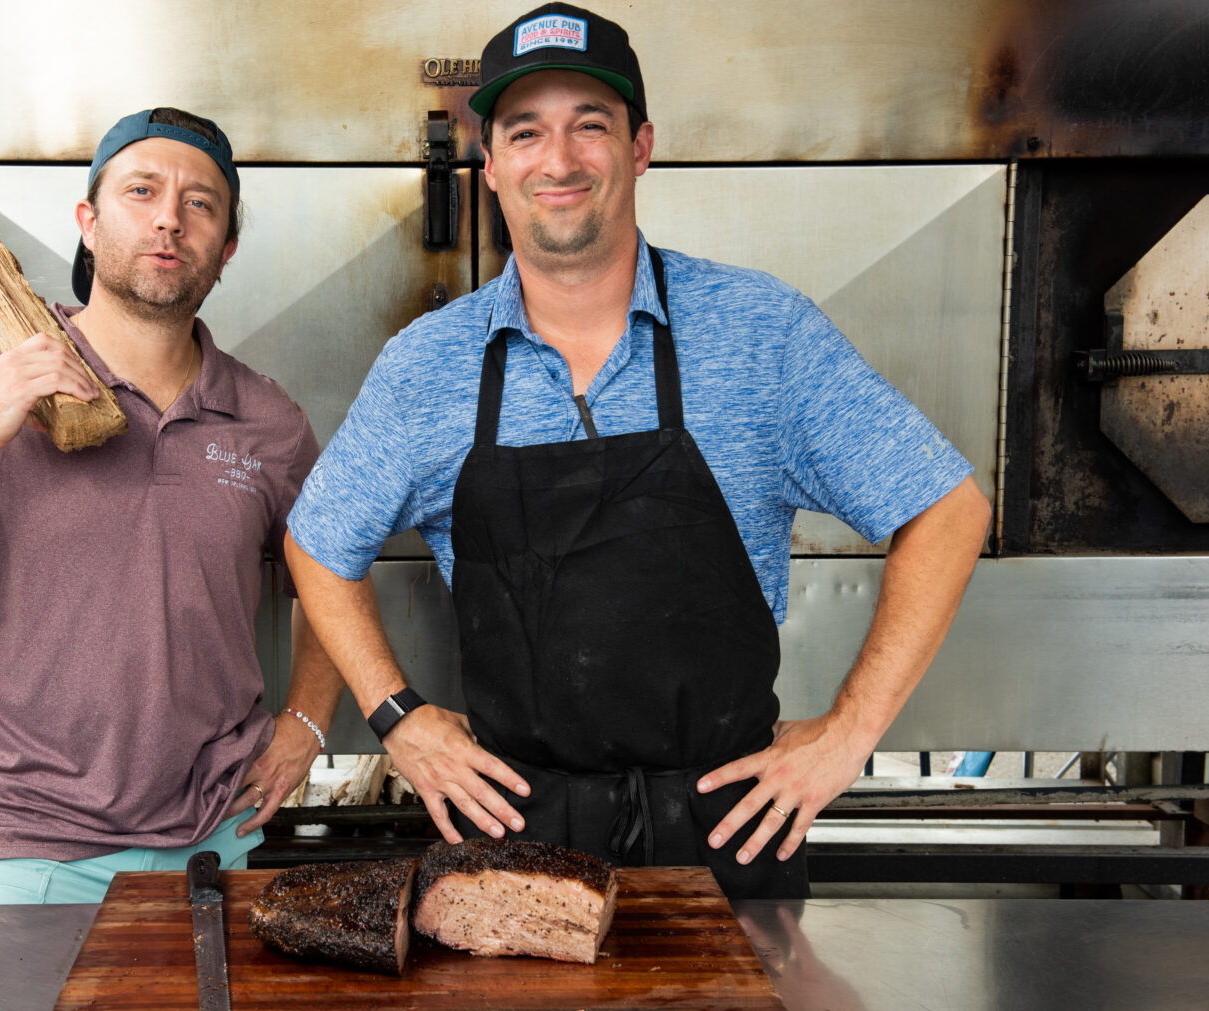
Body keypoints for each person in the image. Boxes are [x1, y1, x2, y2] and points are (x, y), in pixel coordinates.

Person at [283, 6, 991, 898]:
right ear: (491, 165)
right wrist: (399, 718)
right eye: (527, 131)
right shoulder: (429, 365)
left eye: (592, 125)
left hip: (729, 830)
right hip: (516, 840)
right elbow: (316, 542)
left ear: (641, 146)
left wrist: (852, 732)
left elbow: (947, 506)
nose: (562, 158)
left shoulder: (758, 331)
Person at [0, 108, 341, 905]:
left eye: (201, 203)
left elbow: (332, 580)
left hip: (210, 845)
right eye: (140, 190)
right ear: (88, 222)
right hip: (9, 842)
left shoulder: (268, 423)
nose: (168, 219)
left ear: (227, 248)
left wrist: (306, 727)